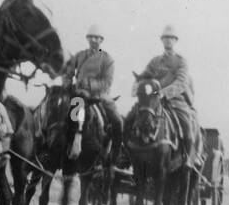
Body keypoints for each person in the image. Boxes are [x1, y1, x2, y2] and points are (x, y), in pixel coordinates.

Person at [138, 25, 201, 166]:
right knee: (134, 117)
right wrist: (139, 82)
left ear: (175, 41)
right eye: (165, 38)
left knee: (187, 126)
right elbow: (145, 75)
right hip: (154, 100)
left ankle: (188, 159)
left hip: (176, 101)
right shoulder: (155, 61)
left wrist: (163, 93)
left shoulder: (181, 61)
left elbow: (181, 83)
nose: (168, 41)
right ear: (162, 40)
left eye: (171, 38)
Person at [62, 25, 124, 146]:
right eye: (91, 37)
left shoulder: (107, 58)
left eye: (97, 38)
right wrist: (67, 85)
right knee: (58, 113)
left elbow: (107, 81)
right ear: (87, 39)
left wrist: (89, 84)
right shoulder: (79, 55)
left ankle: (114, 158)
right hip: (79, 94)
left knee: (117, 121)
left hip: (99, 95)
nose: (94, 40)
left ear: (101, 40)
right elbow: (67, 72)